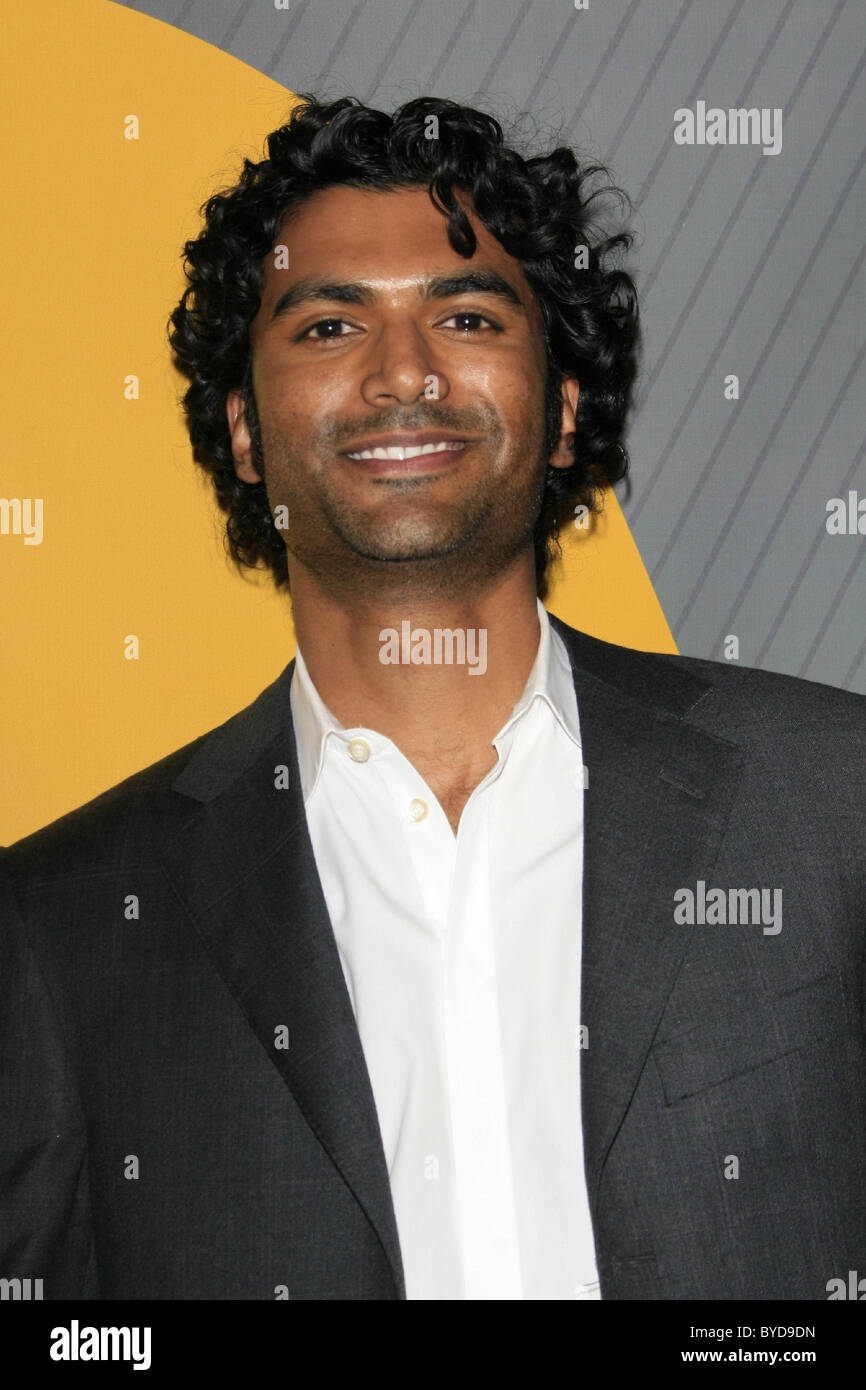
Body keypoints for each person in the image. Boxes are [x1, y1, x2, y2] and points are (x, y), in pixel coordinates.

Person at [1, 96, 864, 1302]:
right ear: (244, 432)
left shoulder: (832, 807)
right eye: (326, 326)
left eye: (463, 315)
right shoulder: (60, 930)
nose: (401, 371)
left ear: (562, 407)